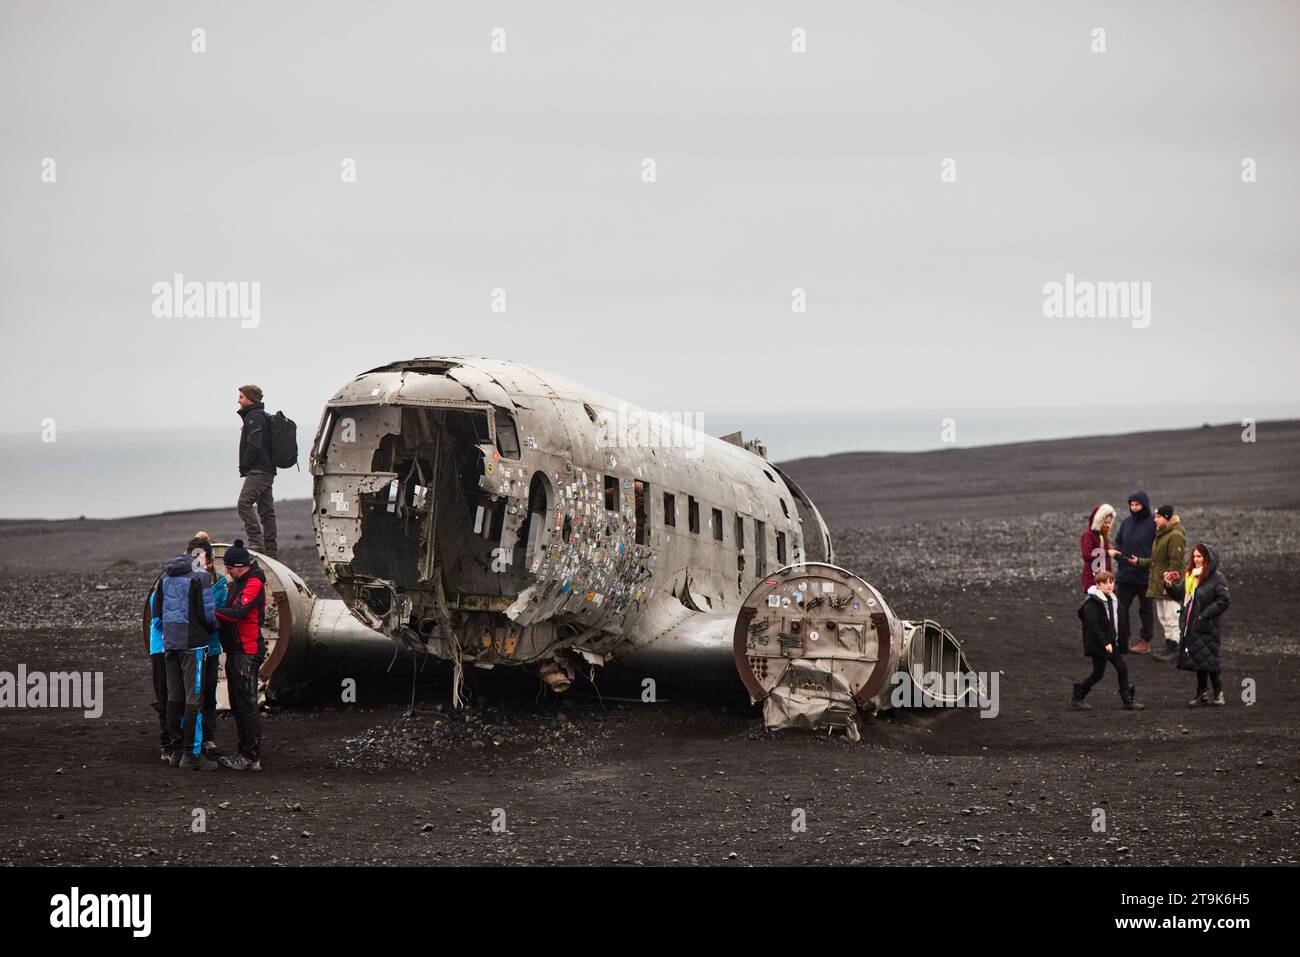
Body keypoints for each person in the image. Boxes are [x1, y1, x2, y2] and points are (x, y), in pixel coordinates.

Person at [151, 541, 218, 770]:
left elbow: (156, 615)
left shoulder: (165, 577)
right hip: (194, 645)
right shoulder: (201, 578)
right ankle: (192, 754)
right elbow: (208, 615)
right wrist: (212, 629)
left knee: (174, 697)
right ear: (201, 556)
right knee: (194, 698)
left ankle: (176, 751)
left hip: (170, 645)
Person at [215, 540, 267, 771]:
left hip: (247, 650)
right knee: (239, 702)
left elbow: (236, 613)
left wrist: (209, 611)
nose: (227, 571)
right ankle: (246, 752)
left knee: (245, 702)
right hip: (238, 649)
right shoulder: (239, 582)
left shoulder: (253, 583)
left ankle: (250, 755)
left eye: (229, 566)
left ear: (240, 565)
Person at [1164, 543, 1230, 706]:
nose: (1196, 559)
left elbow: (1224, 600)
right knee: (1199, 659)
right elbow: (1182, 595)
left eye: (1199, 556)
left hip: (1208, 625)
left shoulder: (1217, 578)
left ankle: (1218, 692)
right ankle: (1202, 694)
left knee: (1211, 659)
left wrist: (1204, 616)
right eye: (1194, 556)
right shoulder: (1191, 576)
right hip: (1192, 625)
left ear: (1207, 558)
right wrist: (1169, 585)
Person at [1070, 571, 1145, 711]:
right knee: (1098, 673)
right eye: (1105, 583)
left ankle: (1127, 699)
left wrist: (1121, 639)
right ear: (1098, 585)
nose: (1109, 585)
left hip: (1111, 643)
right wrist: (1105, 643)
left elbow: (1119, 621)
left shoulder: (1113, 600)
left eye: (1111, 582)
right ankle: (1078, 696)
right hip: (1101, 644)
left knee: (1121, 668)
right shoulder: (1093, 603)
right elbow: (1094, 626)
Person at [1133, 505, 1186, 662]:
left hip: (1167, 585)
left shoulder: (1175, 535)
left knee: (1171, 617)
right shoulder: (1163, 534)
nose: (1155, 519)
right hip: (1159, 583)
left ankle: (1176, 649)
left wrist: (1169, 586)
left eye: (1158, 517)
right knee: (1164, 617)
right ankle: (1170, 646)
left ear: (1167, 518)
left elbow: (1176, 565)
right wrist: (1140, 562)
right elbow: (1157, 561)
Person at [189, 532, 226, 759]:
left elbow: (218, 610)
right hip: (194, 646)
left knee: (208, 690)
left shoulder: (219, 581)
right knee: (195, 692)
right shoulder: (190, 579)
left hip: (209, 646)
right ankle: (195, 736)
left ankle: (207, 736)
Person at [1112, 491, 1156, 654]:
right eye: (1132, 504)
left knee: (1145, 609)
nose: (1134, 507)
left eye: (1137, 505)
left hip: (1145, 576)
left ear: (1144, 505)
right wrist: (1117, 553)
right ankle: (1123, 641)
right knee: (1121, 609)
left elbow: (1158, 549)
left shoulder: (1153, 523)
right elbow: (1118, 541)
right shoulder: (1126, 522)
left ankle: (1145, 641)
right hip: (1125, 575)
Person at [236, 384, 278, 558]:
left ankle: (256, 542)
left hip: (259, 471)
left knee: (243, 504)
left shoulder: (254, 417)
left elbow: (254, 445)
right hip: (268, 470)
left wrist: (245, 465)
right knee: (267, 512)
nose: (238, 400)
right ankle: (271, 552)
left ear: (250, 399)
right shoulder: (261, 416)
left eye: (241, 397)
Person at [1080, 503, 1119, 592]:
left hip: (1104, 581)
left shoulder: (1103, 536)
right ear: (1099, 521)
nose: (1108, 525)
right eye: (1105, 522)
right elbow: (1086, 555)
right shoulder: (1088, 535)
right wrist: (1107, 553)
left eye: (1109, 522)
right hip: (1093, 581)